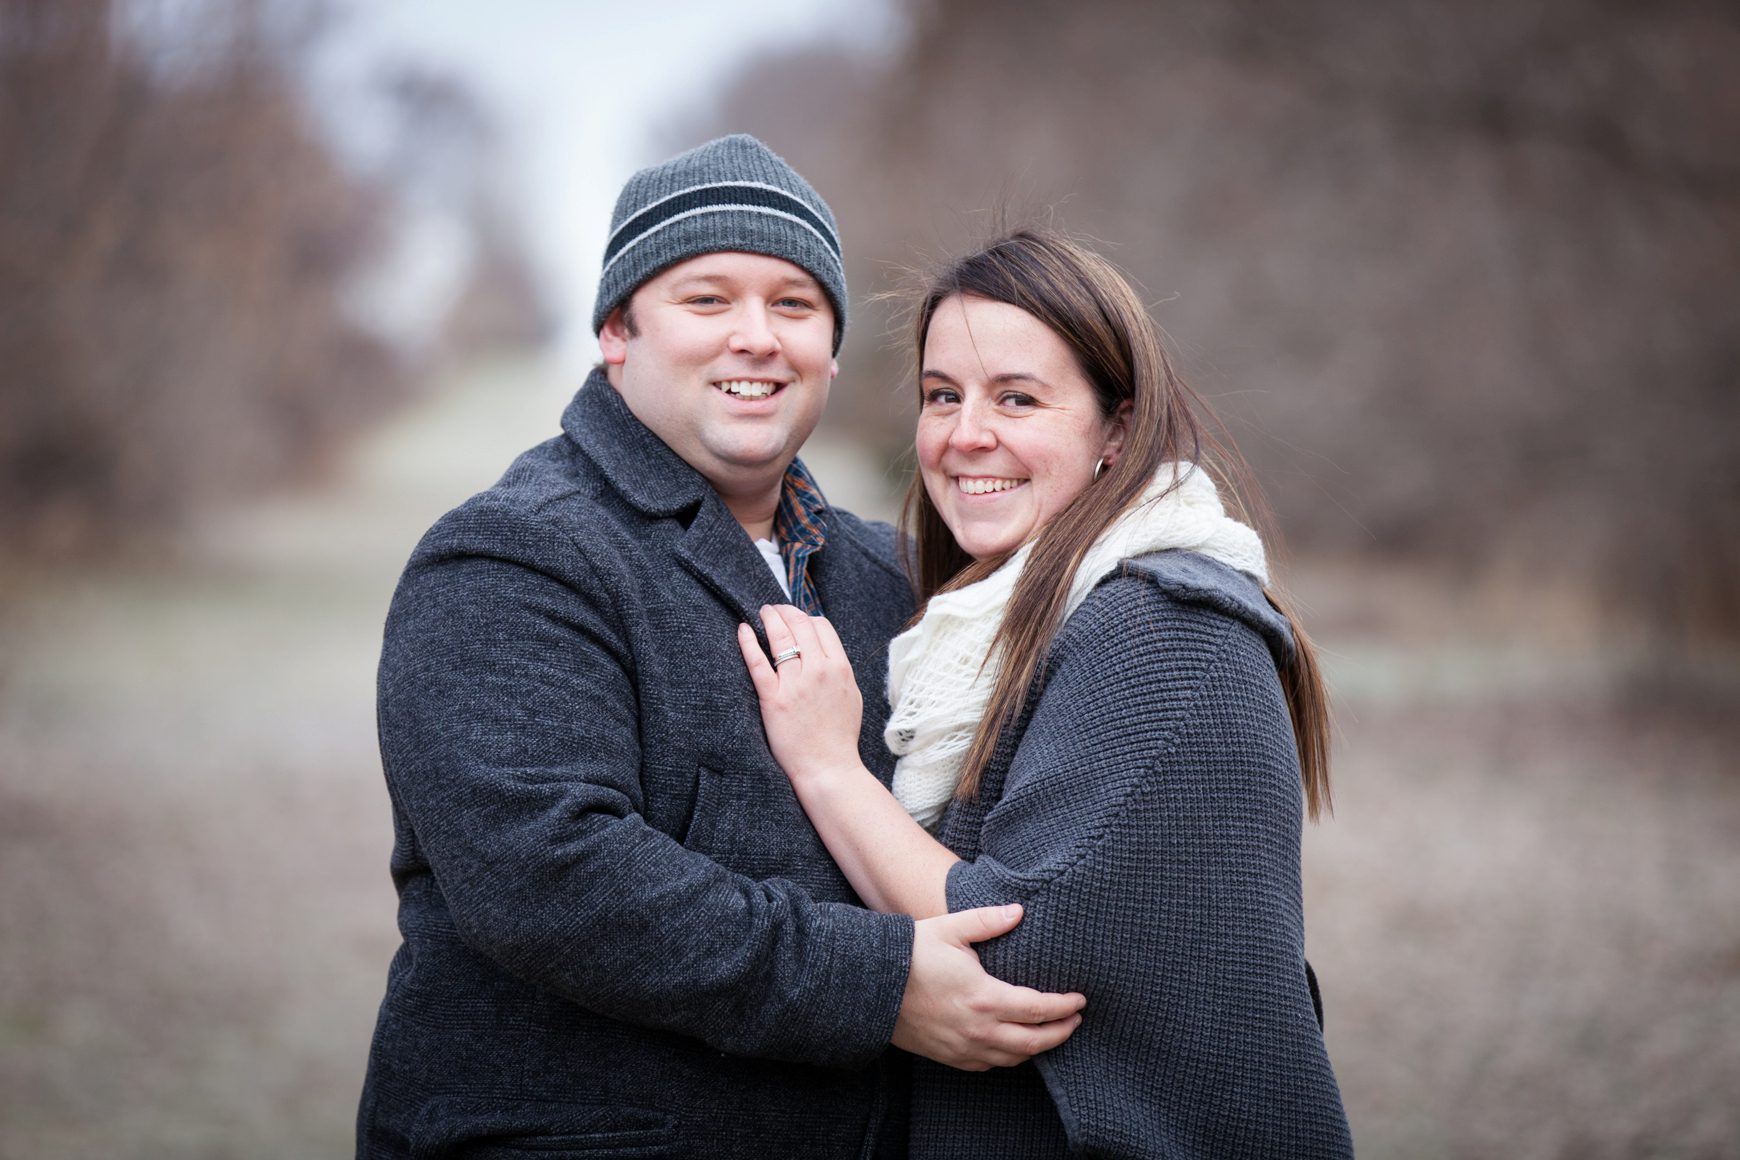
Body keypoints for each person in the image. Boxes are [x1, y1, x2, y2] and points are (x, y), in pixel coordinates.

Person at [355, 137, 1088, 1159]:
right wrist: (875, 984)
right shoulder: (513, 555)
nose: (757, 337)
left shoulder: (894, 574)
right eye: (707, 300)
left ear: (832, 348)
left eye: (794, 304)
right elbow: (551, 876)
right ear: (617, 331)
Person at [738, 228, 1356, 1157]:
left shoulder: (1162, 628)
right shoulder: (1001, 625)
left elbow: (1004, 954)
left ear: (1117, 426)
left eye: (1017, 398)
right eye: (942, 395)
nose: (964, 433)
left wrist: (829, 769)